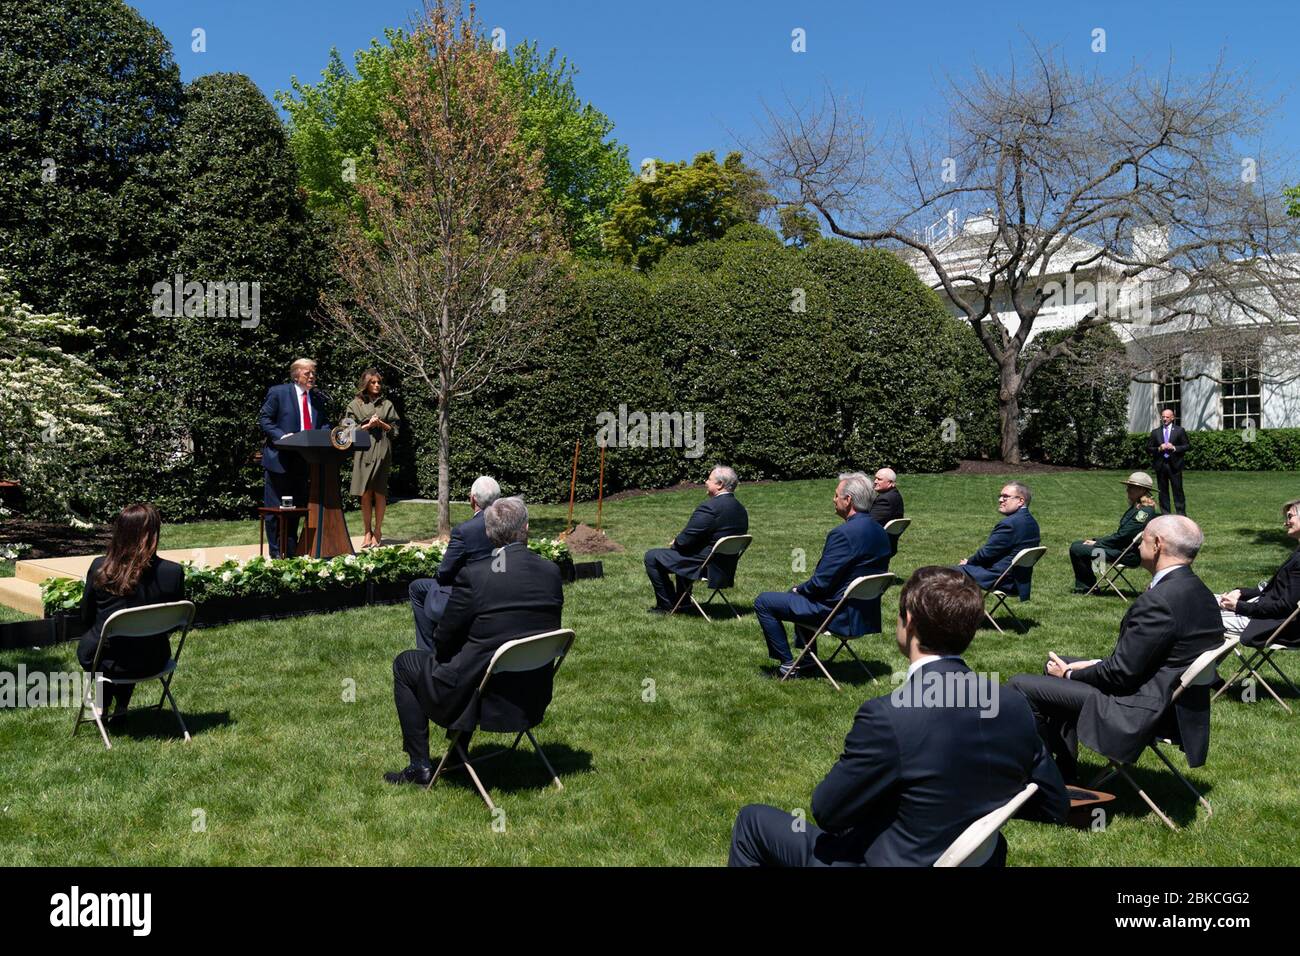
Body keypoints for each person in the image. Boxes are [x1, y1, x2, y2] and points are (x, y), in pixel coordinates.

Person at [730, 567, 1069, 867]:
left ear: (908, 621)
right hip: (981, 861)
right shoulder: (1013, 705)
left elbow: (828, 812)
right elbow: (1054, 803)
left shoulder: (889, 717)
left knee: (752, 821)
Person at [1007, 515, 1222, 783]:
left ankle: (1045, 779)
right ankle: (1063, 768)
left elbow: (1120, 675)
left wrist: (1071, 675)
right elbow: (1151, 656)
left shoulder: (1160, 601)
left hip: (1138, 707)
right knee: (1059, 665)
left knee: (1020, 685)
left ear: (1157, 544)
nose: (1136, 546)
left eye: (1141, 539)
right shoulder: (1200, 592)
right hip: (1174, 701)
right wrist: (1091, 664)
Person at [386, 497, 563, 786]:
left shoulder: (475, 576)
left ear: (489, 534)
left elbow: (443, 640)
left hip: (480, 697)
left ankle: (419, 766)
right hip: (531, 694)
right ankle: (457, 754)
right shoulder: (551, 572)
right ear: (527, 528)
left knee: (406, 663)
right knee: (476, 658)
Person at [753, 472, 891, 678]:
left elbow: (820, 583)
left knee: (764, 601)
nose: (834, 500)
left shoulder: (843, 534)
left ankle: (787, 666)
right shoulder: (880, 531)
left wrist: (800, 589)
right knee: (796, 595)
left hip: (836, 612)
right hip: (864, 612)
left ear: (849, 500)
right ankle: (808, 659)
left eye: (836, 495)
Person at [77, 503, 185, 718]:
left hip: (106, 661)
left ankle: (102, 704)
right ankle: (122, 706)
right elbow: (175, 622)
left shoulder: (101, 567)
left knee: (103, 645)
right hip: (154, 659)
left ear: (120, 532)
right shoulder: (173, 572)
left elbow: (86, 615)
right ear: (154, 533)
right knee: (131, 641)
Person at [408, 476, 499, 652]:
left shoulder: (464, 531)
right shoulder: (509, 525)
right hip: (497, 588)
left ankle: (428, 652)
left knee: (417, 588)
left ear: (472, 499)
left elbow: (444, 573)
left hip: (467, 595)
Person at [644, 465, 748, 613]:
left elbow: (685, 539)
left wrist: (676, 542)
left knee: (652, 556)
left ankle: (666, 606)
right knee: (686, 550)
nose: (706, 482)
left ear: (719, 485)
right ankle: (683, 602)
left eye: (709, 479)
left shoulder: (710, 508)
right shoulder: (740, 509)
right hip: (724, 565)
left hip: (706, 565)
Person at [258, 358, 330, 557]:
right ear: (296, 374)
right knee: (276, 510)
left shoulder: (316, 398)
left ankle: (290, 551)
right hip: (279, 461)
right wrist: (281, 436)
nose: (312, 376)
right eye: (308, 373)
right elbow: (265, 419)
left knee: (296, 509)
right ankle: (275, 553)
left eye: (314, 373)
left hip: (303, 461)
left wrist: (325, 435)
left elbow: (323, 423)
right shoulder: (279, 393)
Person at [1218, 498, 1300, 649]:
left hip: (1273, 624)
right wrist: (1240, 592)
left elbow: (1286, 607)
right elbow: (1273, 589)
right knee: (1202, 601)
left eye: (1290, 517)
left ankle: (1195, 670)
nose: (1285, 523)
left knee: (1199, 616)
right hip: (1262, 611)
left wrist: (1239, 607)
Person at [1068, 472, 1158, 594]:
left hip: (1128, 555)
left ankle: (1086, 587)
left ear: (1142, 489)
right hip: (1122, 549)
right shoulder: (1138, 507)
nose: (1127, 490)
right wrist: (1097, 541)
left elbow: (1124, 536)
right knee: (1079, 544)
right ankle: (1089, 585)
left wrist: (1097, 543)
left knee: (1077, 549)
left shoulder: (1144, 512)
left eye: (1131, 487)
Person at [344, 368, 400, 549]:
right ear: (365, 384)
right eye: (373, 382)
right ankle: (366, 532)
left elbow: (396, 430)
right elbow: (346, 431)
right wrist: (368, 425)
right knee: (365, 492)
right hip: (363, 450)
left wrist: (381, 423)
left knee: (379, 491)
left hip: (382, 450)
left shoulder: (387, 404)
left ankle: (377, 531)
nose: (377, 385)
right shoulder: (355, 404)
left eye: (379, 383)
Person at [958, 481, 1040, 600]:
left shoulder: (1010, 524)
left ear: (1020, 501)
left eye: (1005, 497)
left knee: (942, 574)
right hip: (1019, 580)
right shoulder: (1032, 523)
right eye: (1000, 496)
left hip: (1000, 579)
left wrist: (968, 563)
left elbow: (987, 553)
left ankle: (948, 615)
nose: (1000, 500)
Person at [1147, 407, 1190, 515]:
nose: (1164, 419)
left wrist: (1174, 447)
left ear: (1172, 418)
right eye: (1163, 417)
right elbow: (1148, 448)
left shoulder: (1180, 431)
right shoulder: (1155, 432)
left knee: (1178, 491)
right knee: (1163, 492)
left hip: (1175, 465)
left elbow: (1187, 446)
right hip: (1161, 465)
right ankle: (1165, 515)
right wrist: (1158, 448)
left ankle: (1181, 515)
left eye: (1167, 417)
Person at [868, 468, 904, 555]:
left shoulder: (885, 500)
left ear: (890, 483)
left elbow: (868, 522)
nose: (875, 481)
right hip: (888, 544)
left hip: (877, 545)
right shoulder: (895, 495)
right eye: (875, 478)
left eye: (879, 479)